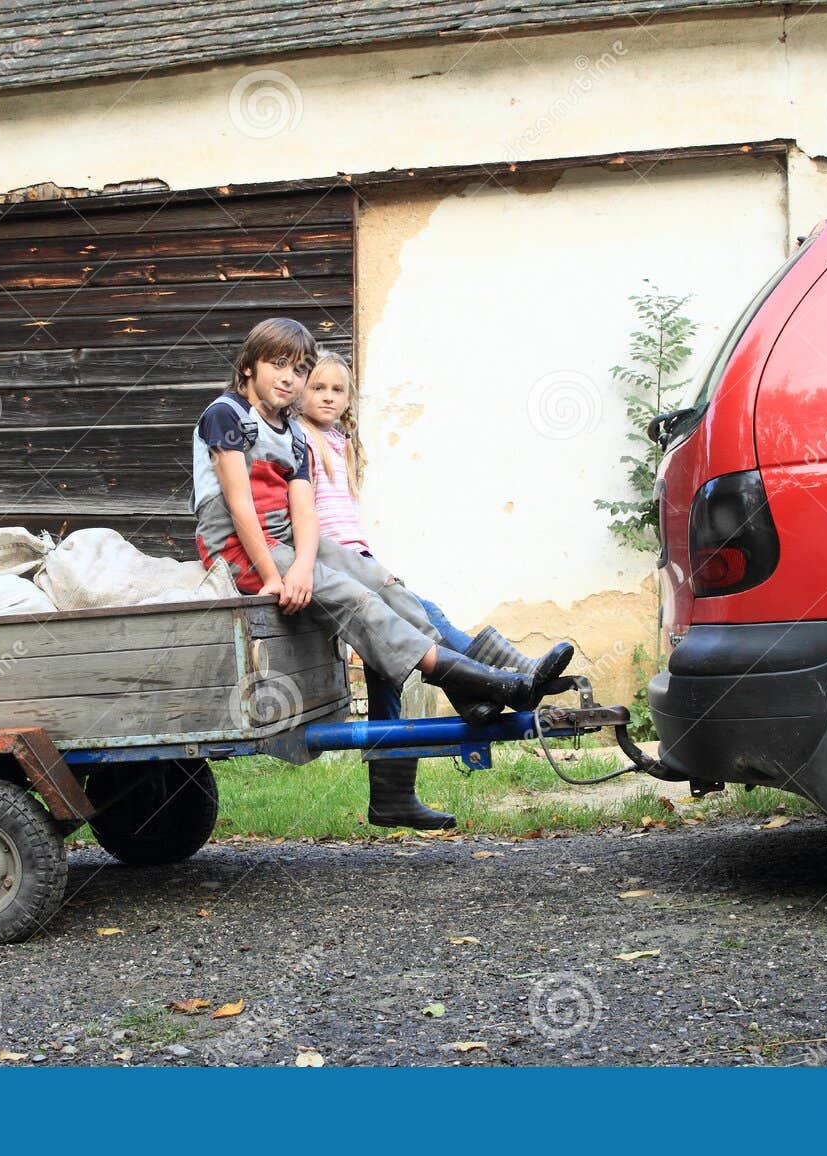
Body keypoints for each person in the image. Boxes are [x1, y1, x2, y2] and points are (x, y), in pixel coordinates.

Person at [191, 319, 574, 829]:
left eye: (299, 369)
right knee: (353, 599)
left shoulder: (293, 435)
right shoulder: (227, 415)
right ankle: (493, 684)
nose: (290, 378)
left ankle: (473, 688)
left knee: (383, 585)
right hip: (240, 547)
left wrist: (304, 562)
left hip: (287, 542)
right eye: (278, 365)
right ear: (249, 365)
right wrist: (278, 575)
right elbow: (239, 505)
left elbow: (304, 512)